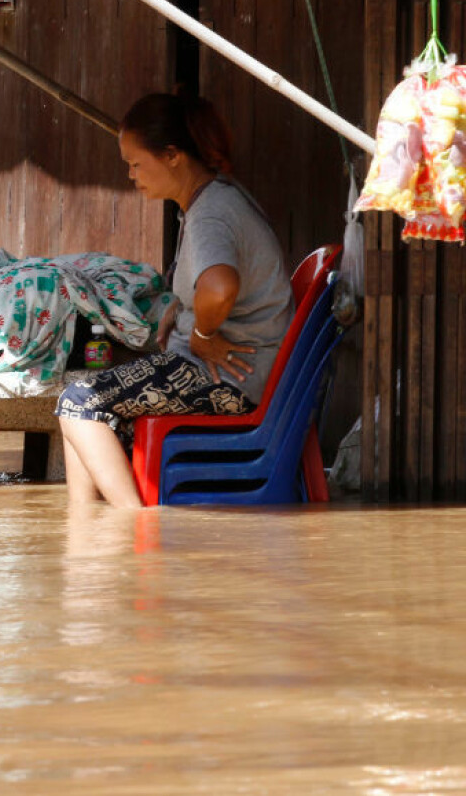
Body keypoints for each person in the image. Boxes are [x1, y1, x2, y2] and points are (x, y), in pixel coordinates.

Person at [56, 92, 293, 508]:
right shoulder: (211, 201)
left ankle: (134, 523)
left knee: (78, 403)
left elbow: (220, 288)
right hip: (230, 373)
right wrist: (176, 311)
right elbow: (204, 285)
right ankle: (84, 528)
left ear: (172, 156)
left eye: (136, 164)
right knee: (84, 405)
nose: (131, 175)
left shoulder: (211, 213)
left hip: (229, 380)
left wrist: (202, 333)